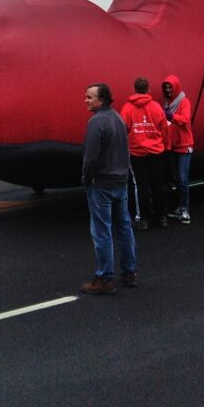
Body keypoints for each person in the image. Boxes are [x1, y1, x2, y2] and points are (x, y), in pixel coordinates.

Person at [81, 83, 138, 295]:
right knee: (124, 228)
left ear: (101, 100)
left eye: (89, 97)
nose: (85, 100)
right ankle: (130, 272)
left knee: (102, 231)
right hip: (120, 182)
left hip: (102, 184)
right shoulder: (118, 118)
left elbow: (90, 158)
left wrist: (87, 179)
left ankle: (105, 278)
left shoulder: (96, 122)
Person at [121, 77, 170, 230]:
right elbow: (165, 129)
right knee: (158, 184)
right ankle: (161, 217)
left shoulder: (127, 108)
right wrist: (166, 146)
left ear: (133, 89)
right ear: (148, 89)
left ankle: (143, 219)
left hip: (137, 153)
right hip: (157, 151)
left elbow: (124, 130)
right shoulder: (156, 107)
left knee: (140, 186)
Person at [162, 74, 194, 225]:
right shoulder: (167, 102)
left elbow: (184, 119)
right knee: (175, 178)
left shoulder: (184, 102)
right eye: (166, 87)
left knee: (182, 179)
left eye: (170, 87)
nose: (168, 90)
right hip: (172, 146)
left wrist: (170, 116)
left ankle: (185, 209)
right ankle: (180, 207)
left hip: (184, 145)